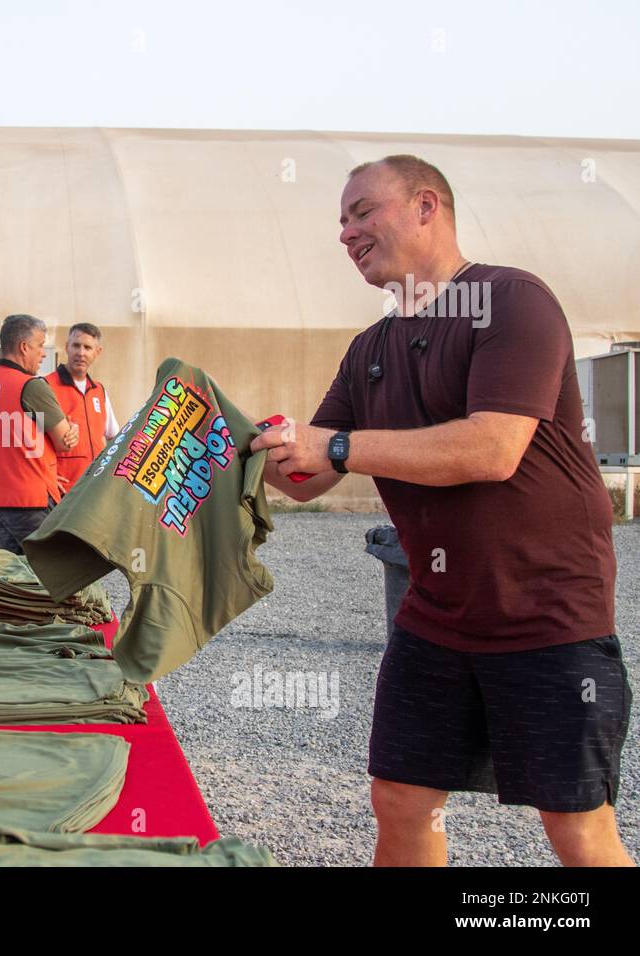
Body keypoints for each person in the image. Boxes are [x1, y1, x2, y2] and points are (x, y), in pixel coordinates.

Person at [250, 154, 632, 867]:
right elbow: (305, 477)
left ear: (428, 206)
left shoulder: (512, 298)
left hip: (547, 617)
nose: (345, 232)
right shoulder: (371, 348)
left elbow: (492, 449)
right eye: (339, 220)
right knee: (400, 802)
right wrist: (226, 446)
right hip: (434, 620)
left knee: (575, 825)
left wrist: (333, 448)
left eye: (363, 211)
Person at [0, 314, 79, 554]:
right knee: (53, 574)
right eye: (41, 345)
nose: (43, 353)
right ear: (24, 347)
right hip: (30, 502)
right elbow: (64, 442)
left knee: (16, 579)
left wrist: (46, 468)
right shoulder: (31, 385)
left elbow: (9, 443)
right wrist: (72, 430)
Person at [44, 322, 121, 494]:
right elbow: (29, 440)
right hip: (62, 492)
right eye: (76, 345)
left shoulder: (99, 391)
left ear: (97, 352)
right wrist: (44, 474)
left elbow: (115, 438)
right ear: (67, 347)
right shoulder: (46, 386)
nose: (81, 353)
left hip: (93, 492)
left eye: (87, 347)